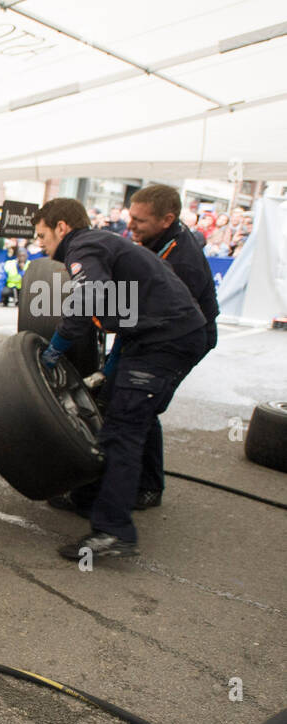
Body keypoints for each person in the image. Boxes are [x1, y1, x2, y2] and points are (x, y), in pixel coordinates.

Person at [35, 198, 207, 561]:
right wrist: (108, 372)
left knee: (122, 431)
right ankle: (92, 498)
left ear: (62, 228)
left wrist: (56, 347)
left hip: (164, 341)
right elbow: (129, 311)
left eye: (42, 235)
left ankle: (114, 531)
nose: (40, 244)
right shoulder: (105, 244)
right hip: (158, 336)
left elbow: (90, 295)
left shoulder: (83, 246)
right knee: (117, 410)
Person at [120, 183, 219, 510]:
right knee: (137, 403)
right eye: (130, 217)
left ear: (167, 220)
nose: (130, 226)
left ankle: (148, 488)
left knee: (142, 405)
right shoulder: (155, 240)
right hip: (161, 330)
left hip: (186, 337)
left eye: (140, 221)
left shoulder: (182, 260)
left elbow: (164, 318)